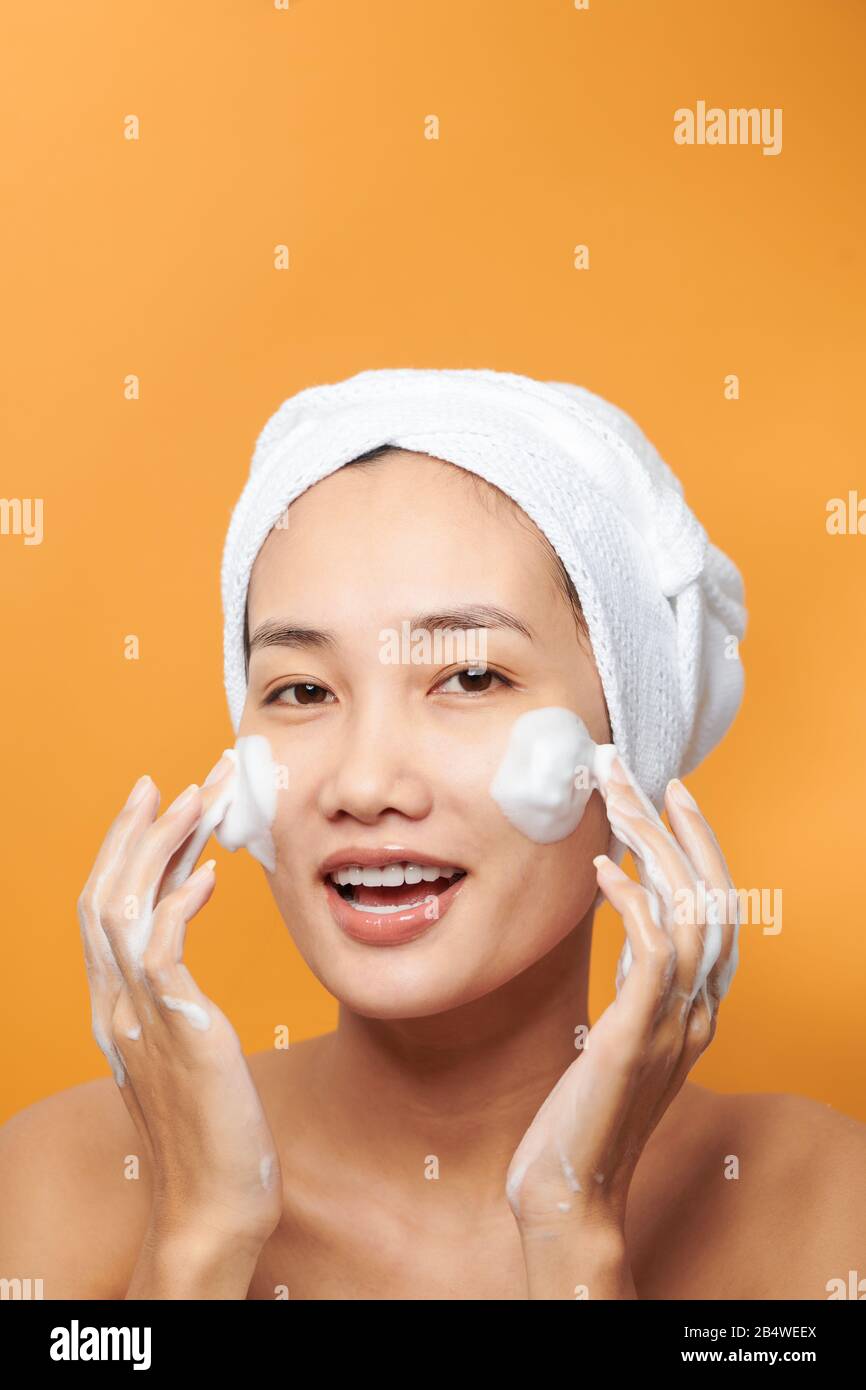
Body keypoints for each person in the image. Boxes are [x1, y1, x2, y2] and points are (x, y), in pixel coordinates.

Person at [1, 369, 864, 1300]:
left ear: (628, 747)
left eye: (471, 680)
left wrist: (575, 1236)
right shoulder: (56, 1183)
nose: (365, 784)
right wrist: (197, 1239)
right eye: (303, 690)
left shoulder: (816, 1209)